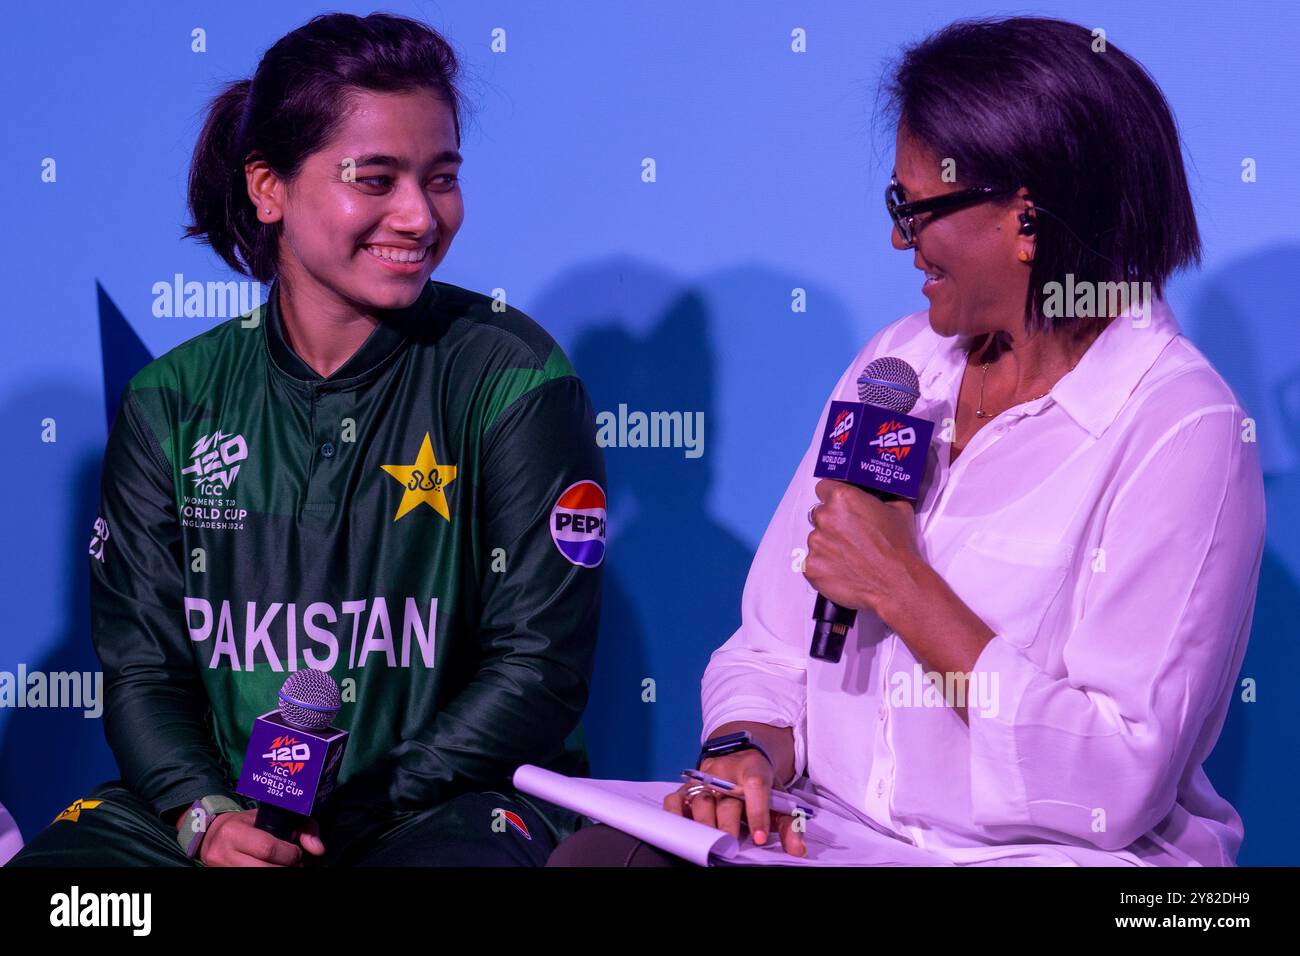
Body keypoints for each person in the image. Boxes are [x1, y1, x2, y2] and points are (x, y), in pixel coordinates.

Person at [548, 15, 1265, 867]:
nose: (899, 238)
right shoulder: (897, 367)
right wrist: (742, 752)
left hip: (1052, 861)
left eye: (914, 208)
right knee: (599, 861)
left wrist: (902, 584)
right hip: (834, 837)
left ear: (1027, 218)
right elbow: (773, 645)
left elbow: (1111, 782)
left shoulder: (1180, 427)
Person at [8, 12, 605, 868]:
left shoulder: (514, 376)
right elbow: (143, 671)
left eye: (441, 178)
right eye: (376, 178)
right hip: (211, 816)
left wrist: (345, 820)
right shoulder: (170, 399)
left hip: (443, 808)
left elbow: (536, 669)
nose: (418, 215)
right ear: (268, 187)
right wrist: (206, 817)